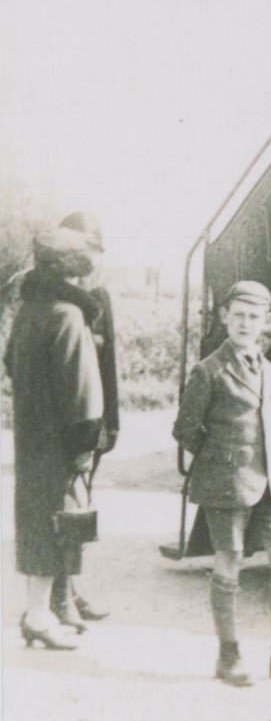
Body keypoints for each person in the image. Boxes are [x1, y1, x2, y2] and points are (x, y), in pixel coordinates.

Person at [173, 280, 271, 687]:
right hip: (226, 483)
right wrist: (222, 457)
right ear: (224, 317)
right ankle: (228, 656)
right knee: (230, 559)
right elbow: (186, 429)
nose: (245, 323)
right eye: (237, 314)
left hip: (267, 483)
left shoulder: (268, 369)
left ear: (265, 324)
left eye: (254, 317)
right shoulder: (208, 370)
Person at [3, 226, 105, 651]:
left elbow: (8, 364)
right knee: (56, 524)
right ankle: (39, 616)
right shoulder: (67, 314)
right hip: (62, 439)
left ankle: (38, 611)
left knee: (35, 519)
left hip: (31, 433)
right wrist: (85, 444)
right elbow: (81, 390)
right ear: (71, 271)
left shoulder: (30, 308)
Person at [51, 211, 116, 629]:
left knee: (80, 509)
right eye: (81, 250)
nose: (88, 260)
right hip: (61, 422)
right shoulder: (52, 299)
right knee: (63, 510)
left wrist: (110, 423)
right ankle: (59, 598)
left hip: (91, 421)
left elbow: (109, 363)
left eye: (93, 251)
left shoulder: (99, 298)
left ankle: (69, 591)